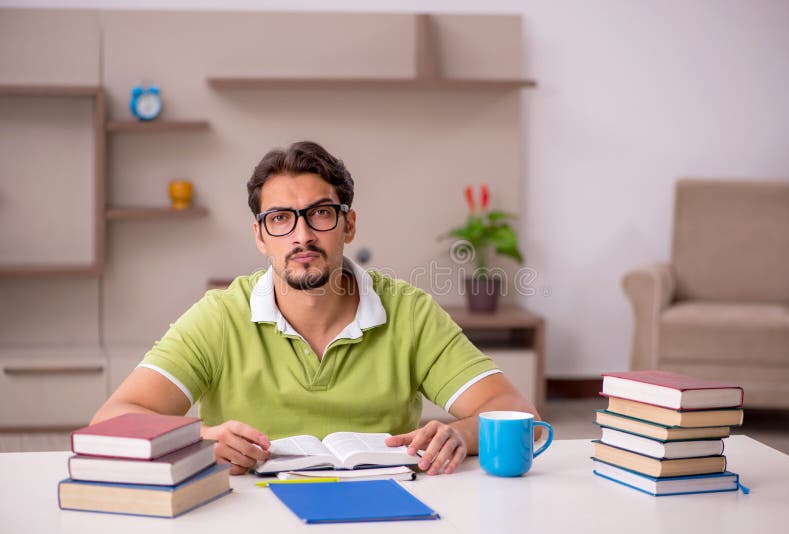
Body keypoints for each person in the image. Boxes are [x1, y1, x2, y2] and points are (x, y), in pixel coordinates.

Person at [92, 141, 541, 476]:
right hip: (249, 513)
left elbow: (522, 415)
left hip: (386, 510)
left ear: (348, 225)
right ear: (260, 236)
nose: (302, 235)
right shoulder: (220, 316)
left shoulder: (409, 312)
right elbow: (110, 421)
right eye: (280, 218)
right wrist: (202, 437)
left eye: (320, 213)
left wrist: (459, 432)